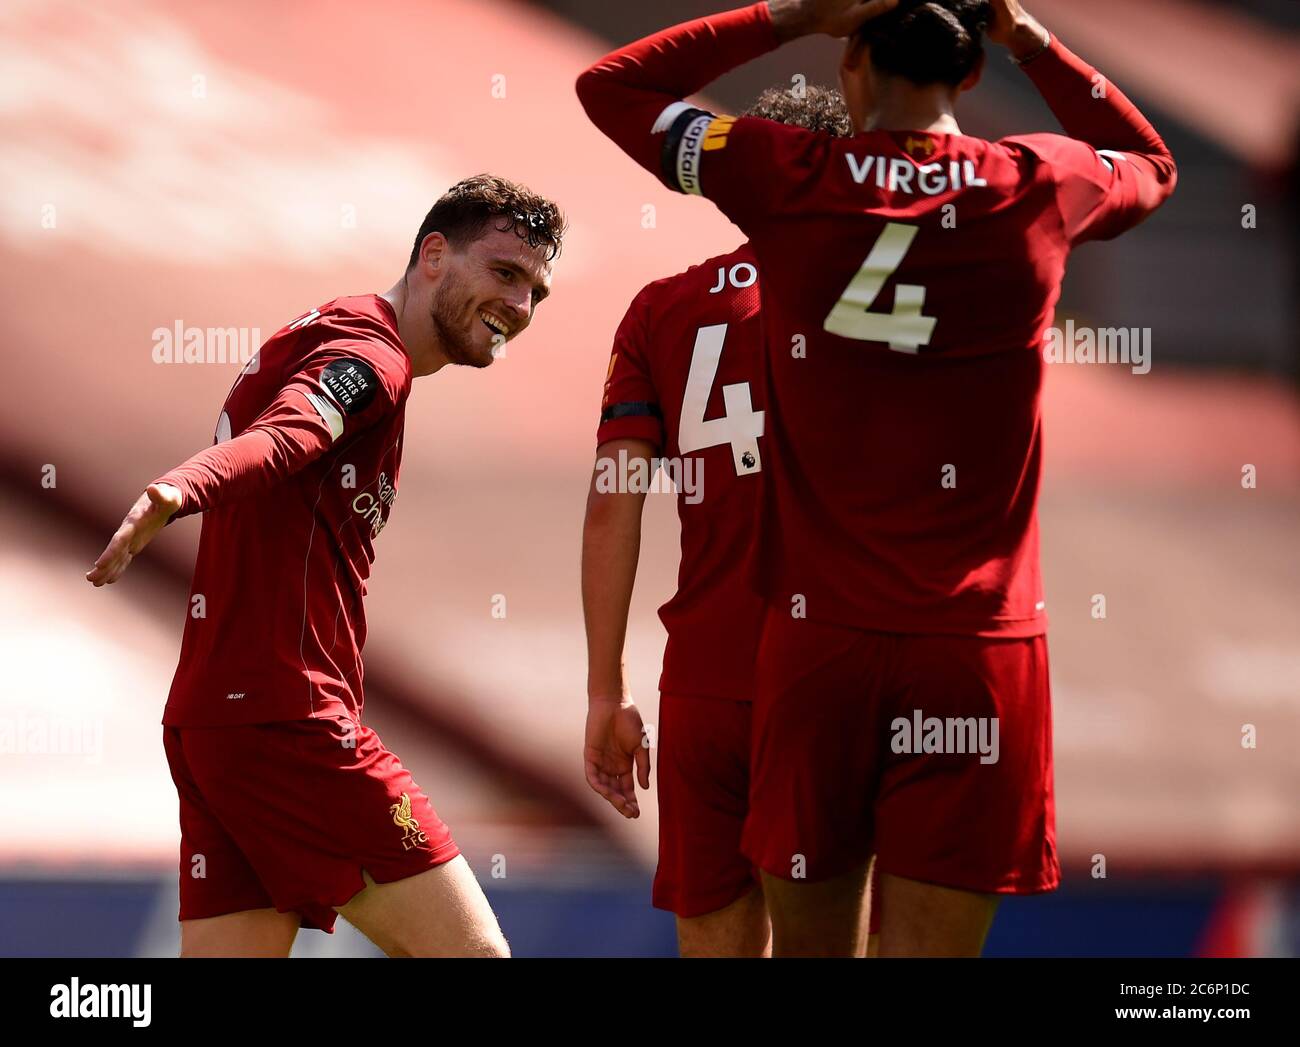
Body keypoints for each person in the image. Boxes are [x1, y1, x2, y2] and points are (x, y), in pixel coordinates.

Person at [577, 0, 1176, 956]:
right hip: (978, 649)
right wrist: (1035, 40)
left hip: (820, 648)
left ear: (850, 61)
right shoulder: (1036, 181)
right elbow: (1151, 161)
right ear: (972, 73)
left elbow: (612, 88)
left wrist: (789, 15)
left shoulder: (786, 173)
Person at [87, 174, 565, 958]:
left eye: (537, 292)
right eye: (505, 273)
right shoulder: (373, 357)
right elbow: (290, 434)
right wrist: (184, 484)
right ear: (434, 255)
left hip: (216, 724)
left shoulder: (332, 329)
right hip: (292, 722)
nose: (520, 306)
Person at [583, 84, 865, 958]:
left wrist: (605, 690)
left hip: (701, 682)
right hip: (831, 672)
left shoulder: (662, 308)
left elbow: (610, 504)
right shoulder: (882, 305)